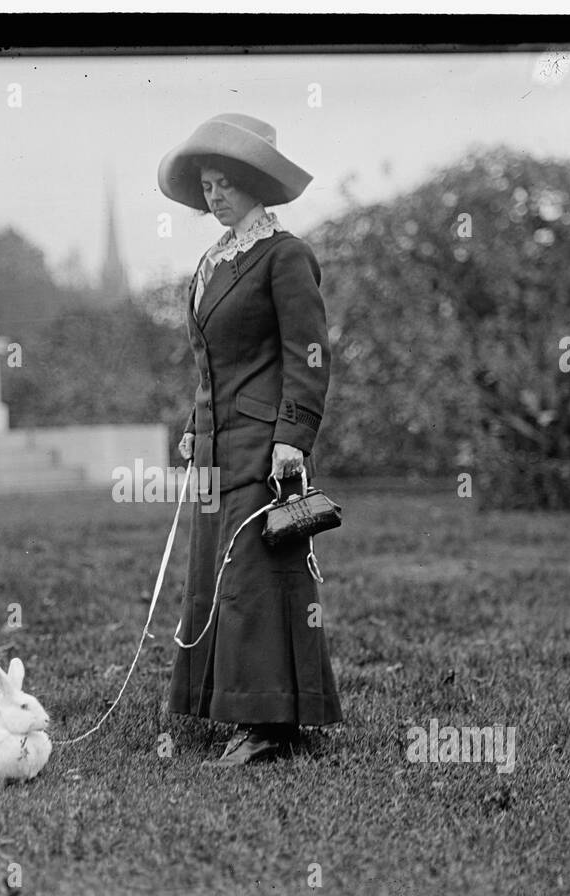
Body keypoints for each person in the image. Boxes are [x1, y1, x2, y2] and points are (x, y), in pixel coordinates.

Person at [157, 113, 342, 767]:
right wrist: (193, 431)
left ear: (254, 182)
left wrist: (294, 434)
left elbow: (309, 353)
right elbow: (211, 365)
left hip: (266, 446)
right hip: (216, 446)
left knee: (257, 577)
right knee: (216, 576)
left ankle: (269, 725)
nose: (214, 195)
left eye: (225, 182)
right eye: (205, 184)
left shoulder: (284, 255)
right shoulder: (212, 262)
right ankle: (230, 703)